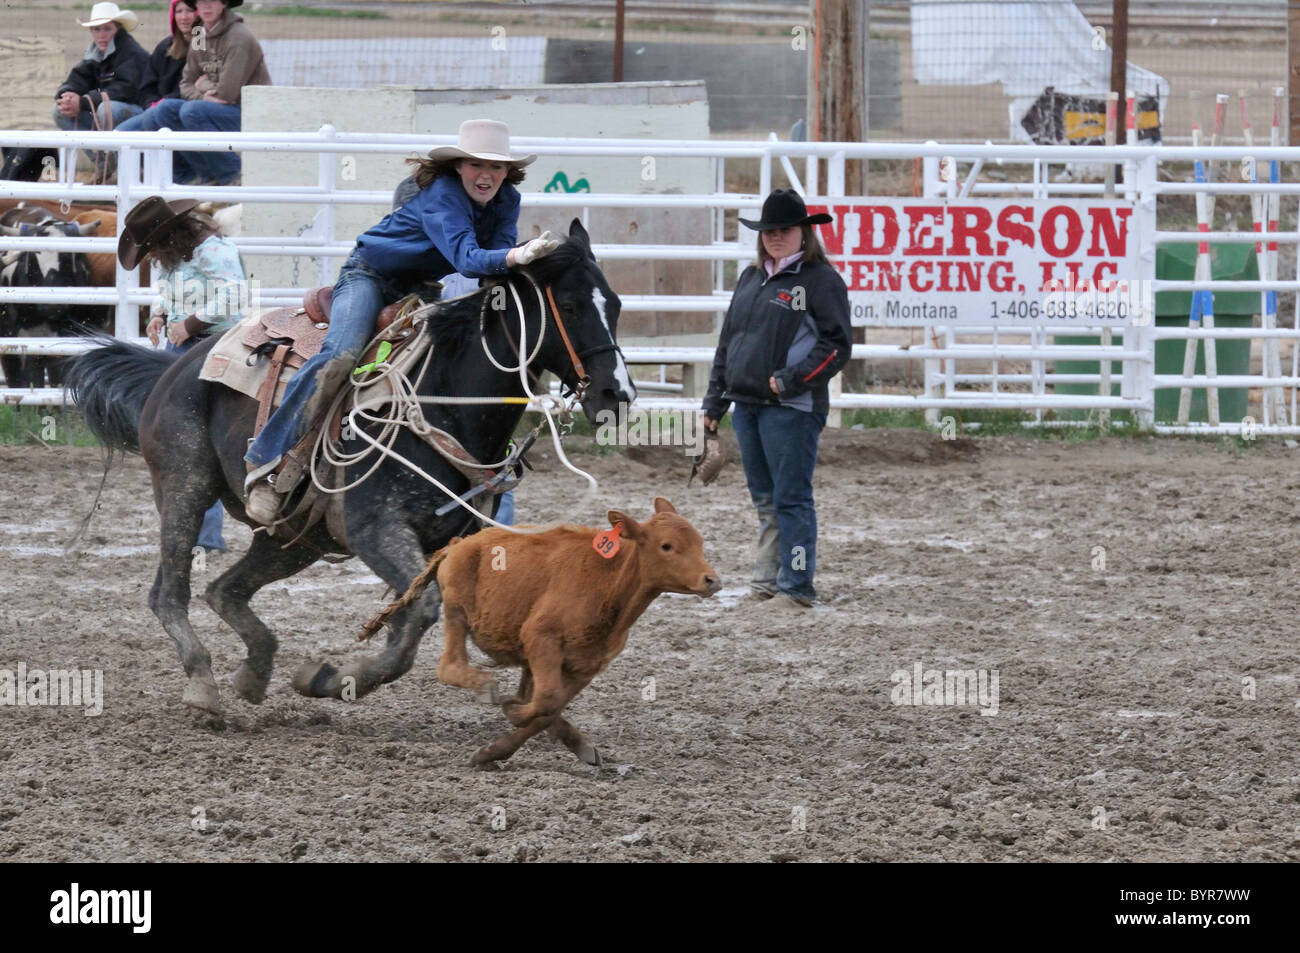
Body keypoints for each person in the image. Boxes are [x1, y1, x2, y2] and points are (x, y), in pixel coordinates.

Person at [242, 119, 558, 524]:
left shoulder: (506, 200)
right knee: (340, 355)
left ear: (506, 173)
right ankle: (267, 461)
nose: (487, 175)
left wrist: (522, 267)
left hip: (422, 287)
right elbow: (467, 258)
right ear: (458, 167)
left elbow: (490, 263)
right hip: (369, 276)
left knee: (447, 368)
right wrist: (516, 256)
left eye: (496, 167)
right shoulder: (443, 194)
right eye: (477, 164)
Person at [701, 189, 851, 609]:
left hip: (791, 408)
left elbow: (837, 346)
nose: (775, 237)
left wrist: (788, 382)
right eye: (769, 231)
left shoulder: (821, 281)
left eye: (784, 230)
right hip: (748, 405)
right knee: (767, 500)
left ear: (804, 232)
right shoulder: (751, 279)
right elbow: (728, 343)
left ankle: (796, 584)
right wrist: (715, 403)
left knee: (790, 499)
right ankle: (769, 581)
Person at [118, 195, 249, 551]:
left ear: (168, 236)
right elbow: (172, 292)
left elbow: (234, 294)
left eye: (154, 246)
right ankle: (198, 536)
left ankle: (202, 538)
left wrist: (189, 325)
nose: (154, 254)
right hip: (187, 348)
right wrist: (160, 315)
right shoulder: (181, 256)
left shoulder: (213, 250)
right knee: (182, 440)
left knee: (194, 441)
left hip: (212, 347)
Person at [117, 0, 270, 186]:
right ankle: (197, 177)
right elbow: (186, 82)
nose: (205, 6)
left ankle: (233, 175)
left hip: (246, 113)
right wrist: (203, 93)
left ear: (224, 4)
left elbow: (226, 94)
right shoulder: (199, 34)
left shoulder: (239, 38)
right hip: (216, 108)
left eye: (211, 1)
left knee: (191, 111)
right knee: (163, 110)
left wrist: (202, 84)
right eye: (200, 1)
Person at [53, 3, 150, 175]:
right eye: (96, 29)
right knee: (59, 111)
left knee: (107, 109)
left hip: (139, 114)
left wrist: (83, 102)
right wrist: (66, 96)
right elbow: (77, 79)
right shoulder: (95, 54)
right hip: (108, 112)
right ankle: (105, 162)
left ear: (118, 29)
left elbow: (125, 89)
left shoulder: (131, 53)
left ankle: (129, 169)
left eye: (107, 29)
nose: (101, 35)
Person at [118, 0, 199, 181]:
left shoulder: (203, 48)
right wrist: (151, 103)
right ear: (173, 16)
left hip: (183, 109)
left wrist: (162, 104)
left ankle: (182, 178)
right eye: (179, 11)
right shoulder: (165, 47)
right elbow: (147, 85)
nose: (184, 17)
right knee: (121, 134)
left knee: (157, 117)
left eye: (190, 11)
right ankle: (143, 182)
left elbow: (194, 85)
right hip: (157, 108)